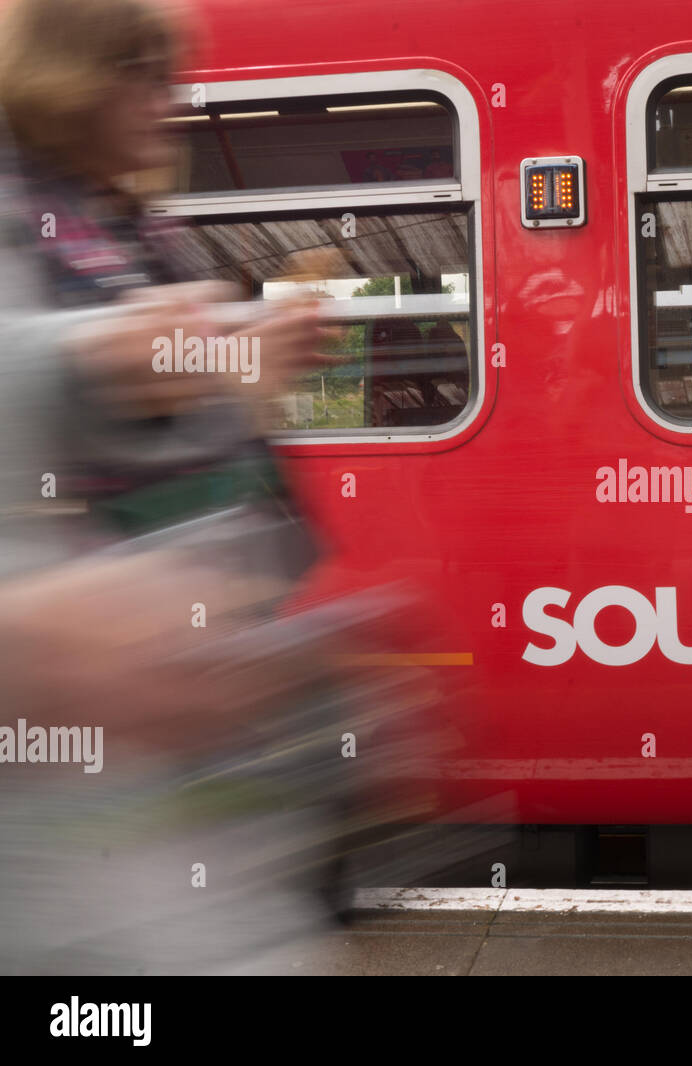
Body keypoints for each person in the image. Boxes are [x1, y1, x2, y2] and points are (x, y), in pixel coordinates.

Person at [0, 0, 370, 975]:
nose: (173, 103)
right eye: (144, 75)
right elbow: (44, 361)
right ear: (70, 78)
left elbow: (171, 411)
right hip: (70, 719)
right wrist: (92, 357)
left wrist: (246, 368)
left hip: (179, 694)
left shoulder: (129, 227)